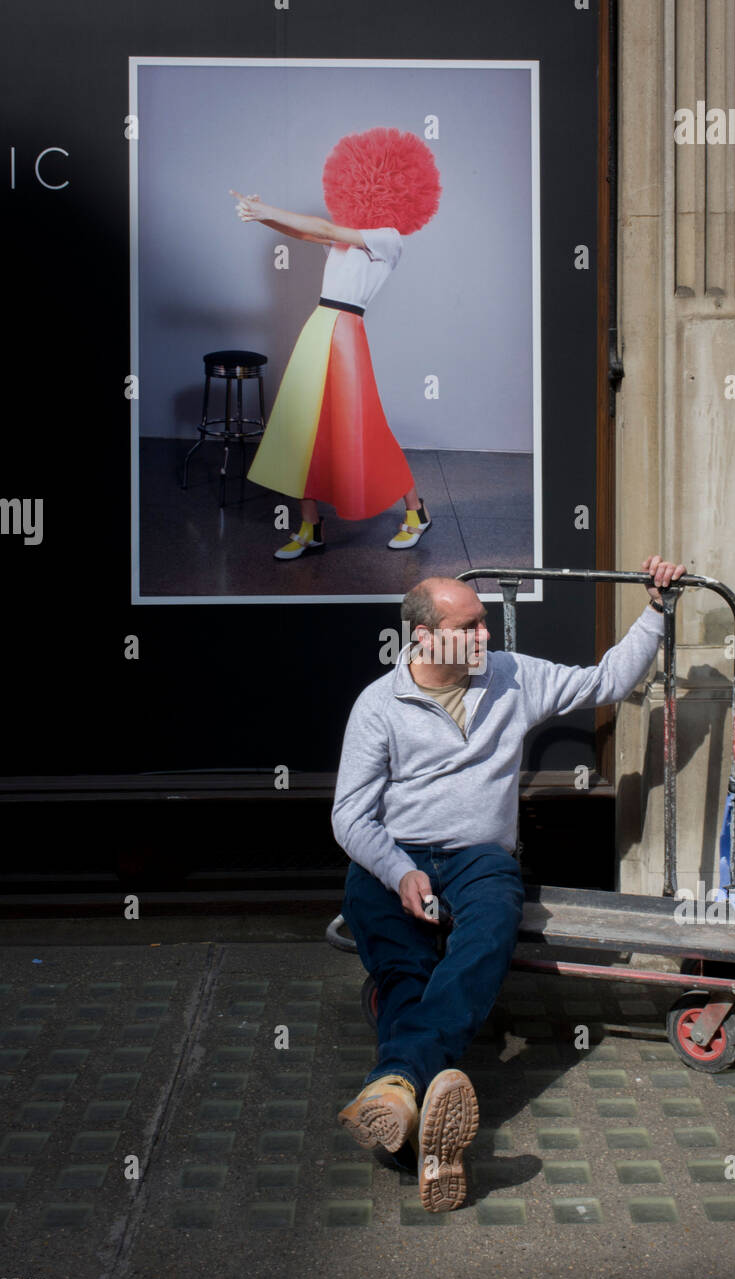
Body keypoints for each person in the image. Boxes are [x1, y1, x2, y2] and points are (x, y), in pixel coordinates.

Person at [331, 554, 686, 1211]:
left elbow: (609, 680)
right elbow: (350, 816)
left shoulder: (512, 676)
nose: (486, 635)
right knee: (404, 971)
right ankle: (425, 1139)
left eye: (485, 621)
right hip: (392, 858)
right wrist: (400, 871)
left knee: (487, 936)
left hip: (479, 858)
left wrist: (657, 609)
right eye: (469, 626)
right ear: (425, 636)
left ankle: (396, 1085)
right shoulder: (379, 705)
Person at [229, 128, 441, 559]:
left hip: (346, 331)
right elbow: (309, 234)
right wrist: (258, 215)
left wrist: (266, 209)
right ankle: (310, 527)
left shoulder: (388, 239)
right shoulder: (347, 235)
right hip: (319, 325)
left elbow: (323, 227)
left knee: (365, 425)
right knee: (301, 424)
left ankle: (415, 512)